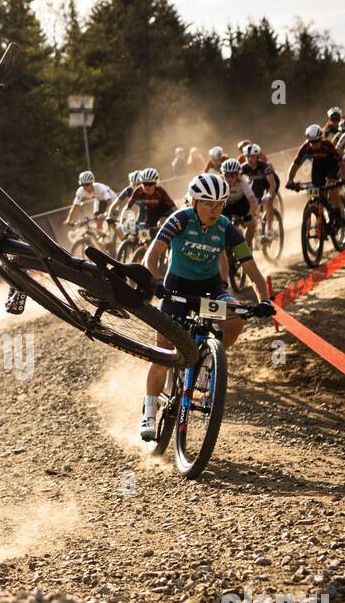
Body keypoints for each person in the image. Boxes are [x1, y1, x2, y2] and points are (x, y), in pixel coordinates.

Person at [138, 173, 274, 441]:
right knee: (163, 353)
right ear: (194, 201)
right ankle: (149, 411)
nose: (216, 210)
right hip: (176, 290)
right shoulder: (179, 219)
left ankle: (209, 359)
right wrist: (152, 282)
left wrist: (265, 300)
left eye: (221, 204)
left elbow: (252, 270)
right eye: (209, 204)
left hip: (211, 289)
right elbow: (152, 254)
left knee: (236, 316)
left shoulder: (226, 227)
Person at [284, 124, 345, 218]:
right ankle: (322, 212)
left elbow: (340, 163)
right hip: (319, 166)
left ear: (321, 138)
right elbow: (295, 164)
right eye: (312, 142)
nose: (314, 144)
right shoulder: (305, 147)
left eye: (317, 141)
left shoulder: (328, 145)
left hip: (332, 165)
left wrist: (343, 178)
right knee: (316, 190)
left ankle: (338, 215)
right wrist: (290, 180)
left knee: (331, 185)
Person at [104, 167, 177, 238]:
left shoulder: (158, 191)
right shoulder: (134, 190)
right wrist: (119, 220)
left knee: (155, 227)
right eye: (145, 184)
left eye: (150, 184)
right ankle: (137, 244)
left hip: (160, 211)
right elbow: (125, 207)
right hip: (147, 211)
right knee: (140, 233)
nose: (147, 187)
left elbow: (172, 206)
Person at [219, 157, 260, 244]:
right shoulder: (218, 182)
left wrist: (250, 213)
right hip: (225, 204)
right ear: (222, 174)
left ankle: (247, 246)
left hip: (240, 203)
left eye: (234, 175)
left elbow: (253, 201)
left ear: (239, 174)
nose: (230, 179)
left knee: (252, 224)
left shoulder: (242, 182)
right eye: (227, 175)